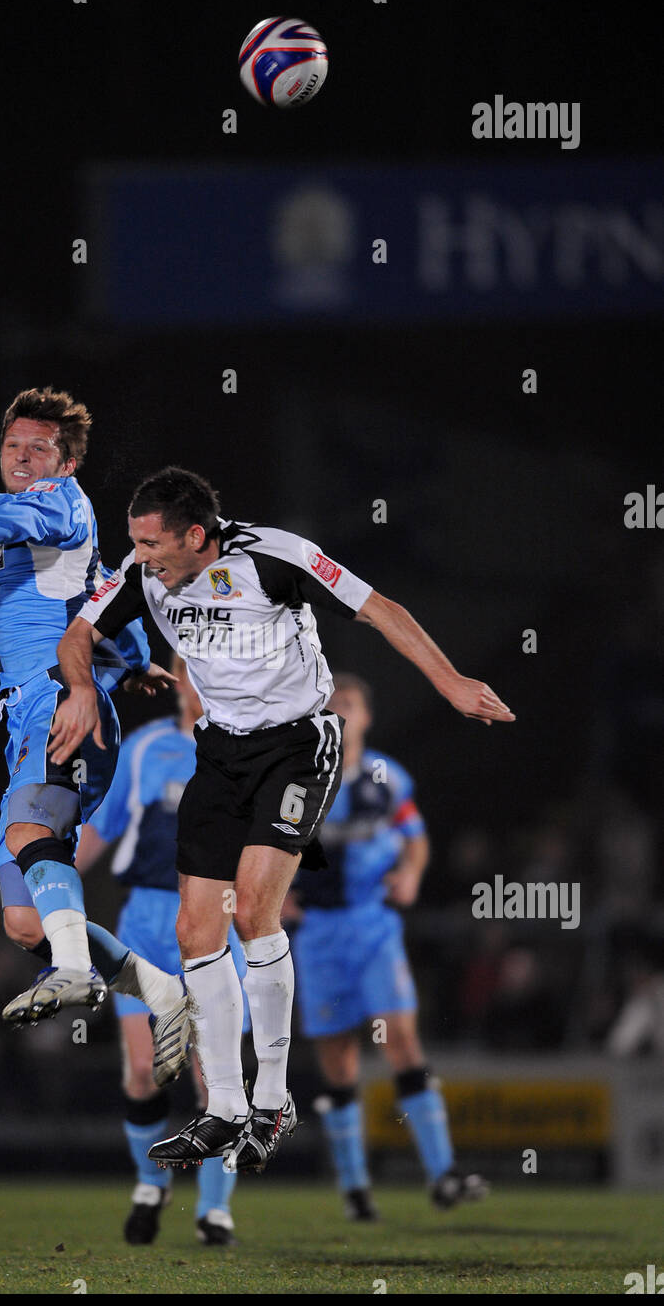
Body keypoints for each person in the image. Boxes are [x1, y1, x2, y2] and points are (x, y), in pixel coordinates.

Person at [49, 465, 515, 1174]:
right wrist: (82, 690)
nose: (139, 556)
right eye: (134, 543)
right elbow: (77, 634)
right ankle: (226, 1107)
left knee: (251, 916)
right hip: (221, 753)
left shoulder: (276, 557)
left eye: (150, 543)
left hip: (298, 748)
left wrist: (450, 682)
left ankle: (272, 1097)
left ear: (195, 535)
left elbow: (380, 606)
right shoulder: (141, 575)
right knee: (192, 929)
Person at [0, 389, 188, 1083]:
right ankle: (161, 991)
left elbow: (13, 514)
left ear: (68, 461)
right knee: (25, 925)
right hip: (30, 715)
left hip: (60, 705)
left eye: (39, 449)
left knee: (31, 835)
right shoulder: (64, 531)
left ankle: (78, 972)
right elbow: (106, 585)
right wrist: (137, 656)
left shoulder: (54, 501)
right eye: (12, 446)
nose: (22, 459)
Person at [286, 672, 488, 1219]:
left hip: (373, 925)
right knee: (338, 1059)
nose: (342, 710)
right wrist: (273, 897)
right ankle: (354, 1188)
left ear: (367, 717)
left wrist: (411, 874)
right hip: (320, 933)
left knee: (400, 1038)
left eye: (350, 702)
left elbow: (415, 842)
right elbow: (265, 848)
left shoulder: (386, 778)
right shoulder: (297, 779)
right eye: (332, 703)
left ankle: (443, 1173)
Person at [76, 655, 246, 1245]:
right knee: (144, 1071)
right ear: (177, 680)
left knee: (213, 1075)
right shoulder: (147, 747)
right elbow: (103, 823)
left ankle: (215, 1211)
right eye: (192, 668)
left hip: (217, 919)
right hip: (148, 921)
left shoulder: (250, 747)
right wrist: (52, 893)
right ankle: (152, 1184)